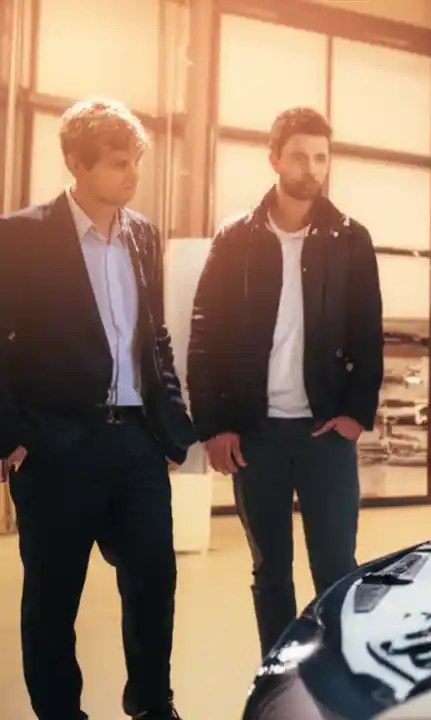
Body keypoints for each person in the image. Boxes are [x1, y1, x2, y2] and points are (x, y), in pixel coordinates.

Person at [0, 97, 197, 720]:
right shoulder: (21, 236)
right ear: (75, 163)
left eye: (135, 161)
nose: (132, 175)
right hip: (57, 447)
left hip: (136, 445)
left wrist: (171, 430)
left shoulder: (143, 234)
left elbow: (154, 337)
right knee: (53, 599)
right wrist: (11, 436)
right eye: (117, 164)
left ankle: (150, 703)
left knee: (153, 584)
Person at [186, 107, 383, 659]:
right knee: (270, 569)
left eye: (321, 156)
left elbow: (368, 333)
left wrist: (355, 414)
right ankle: (279, 678)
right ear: (274, 159)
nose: (312, 167)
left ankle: (337, 675)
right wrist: (214, 425)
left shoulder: (350, 239)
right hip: (257, 435)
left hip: (326, 435)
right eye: (300, 155)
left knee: (337, 569)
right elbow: (206, 332)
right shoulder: (236, 240)